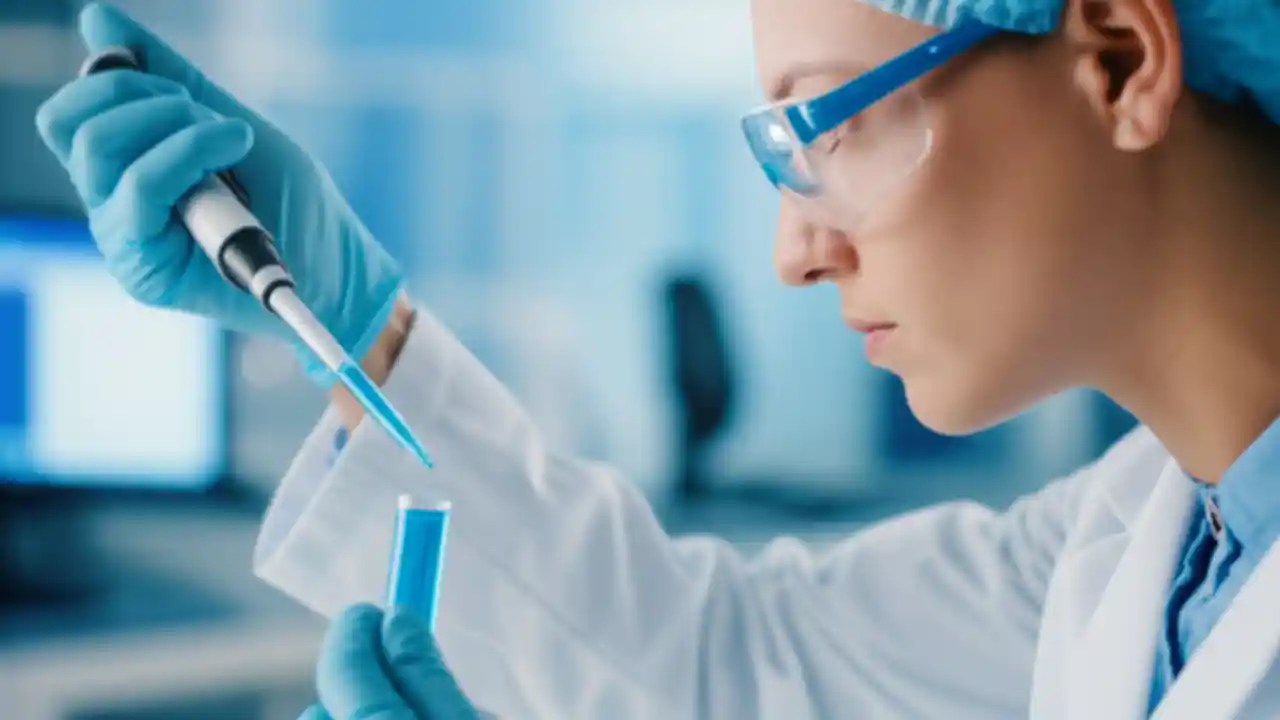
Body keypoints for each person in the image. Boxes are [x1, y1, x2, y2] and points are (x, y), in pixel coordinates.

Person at [34, 0, 1280, 716]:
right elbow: (729, 661)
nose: (794, 253)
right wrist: (356, 332)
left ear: (1119, 60)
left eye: (831, 125)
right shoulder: (1146, 538)